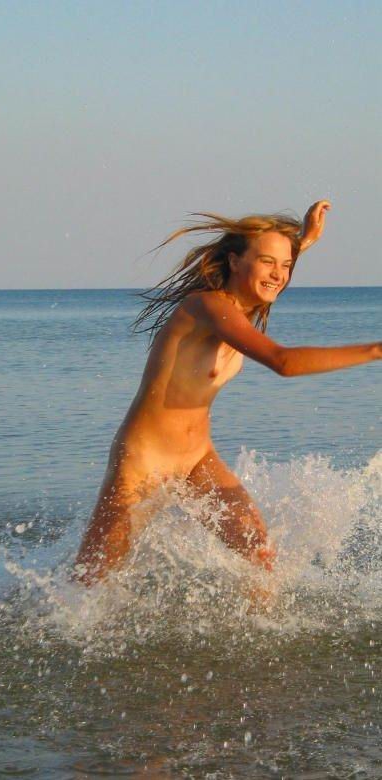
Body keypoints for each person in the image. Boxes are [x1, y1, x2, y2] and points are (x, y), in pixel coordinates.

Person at [74, 200, 381, 585]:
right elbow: (282, 362)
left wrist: (303, 241)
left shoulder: (243, 305)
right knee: (89, 583)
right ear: (234, 262)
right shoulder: (205, 306)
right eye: (269, 262)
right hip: (144, 459)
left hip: (197, 457)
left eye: (286, 265)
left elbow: (267, 275)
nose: (280, 274)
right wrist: (376, 350)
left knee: (259, 554)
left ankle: (265, 637)